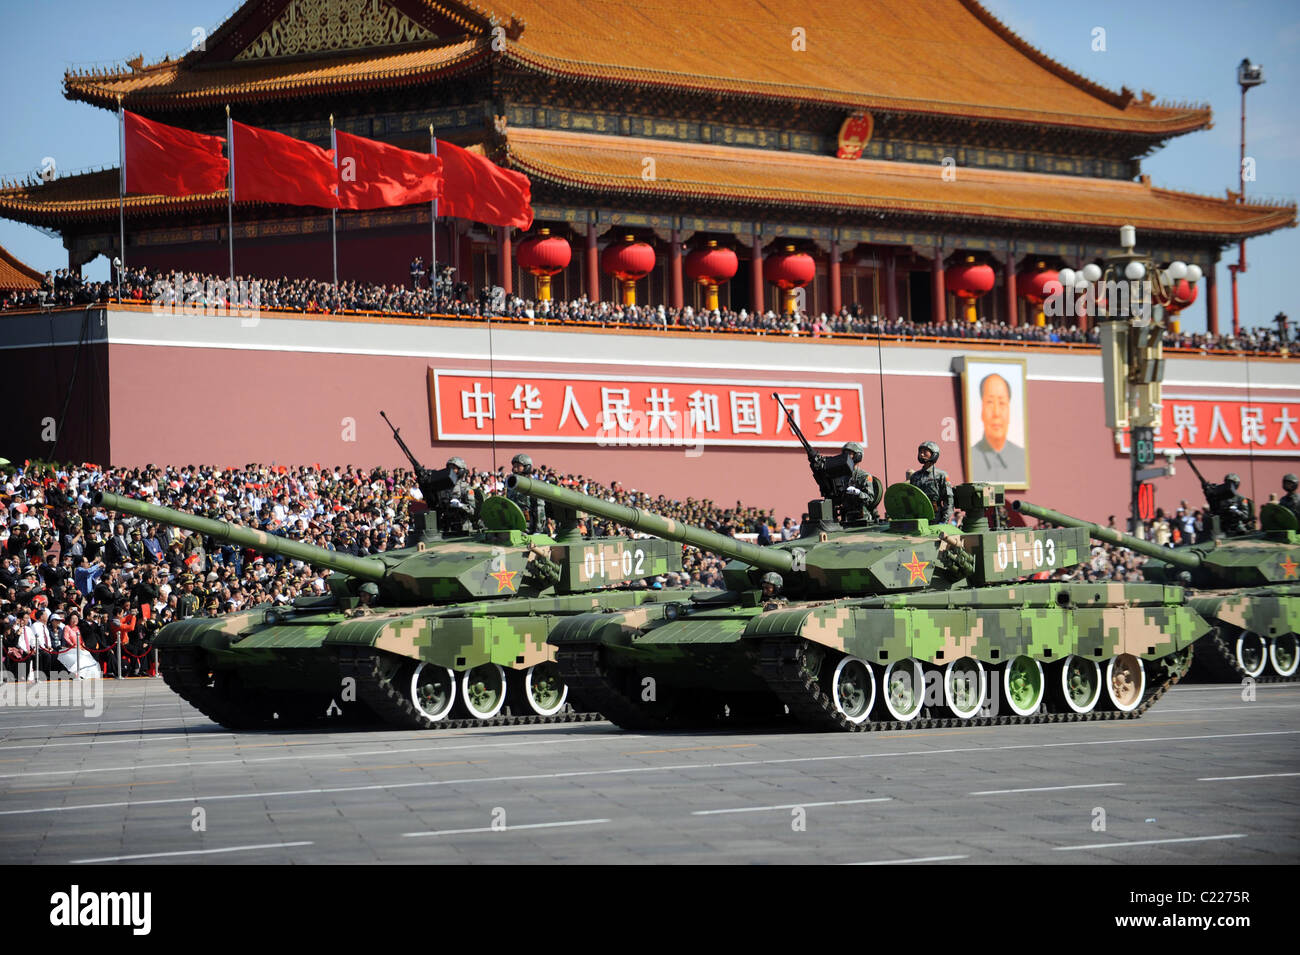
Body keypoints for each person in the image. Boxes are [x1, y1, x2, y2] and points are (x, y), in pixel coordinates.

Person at [968, 372, 1026, 483]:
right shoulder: (972, 457)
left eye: (1002, 403)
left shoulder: (1021, 458)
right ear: (981, 409)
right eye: (990, 402)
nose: (996, 412)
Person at [909, 441, 954, 523]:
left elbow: (948, 499)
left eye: (925, 452)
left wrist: (944, 521)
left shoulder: (941, 475)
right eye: (920, 452)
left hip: (936, 518)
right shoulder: (914, 477)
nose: (921, 454)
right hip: (918, 519)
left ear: (934, 454)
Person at [506, 453, 547, 533]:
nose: (514, 468)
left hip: (527, 524)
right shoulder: (511, 484)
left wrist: (538, 530)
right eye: (514, 466)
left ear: (526, 467)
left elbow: (539, 508)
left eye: (518, 466)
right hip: (512, 522)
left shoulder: (533, 485)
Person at [839, 441, 879, 521]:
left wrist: (858, 493)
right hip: (845, 519)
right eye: (845, 454)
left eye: (849, 454)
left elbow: (870, 498)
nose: (846, 456)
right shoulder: (841, 476)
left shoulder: (864, 476)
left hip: (862, 519)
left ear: (858, 456)